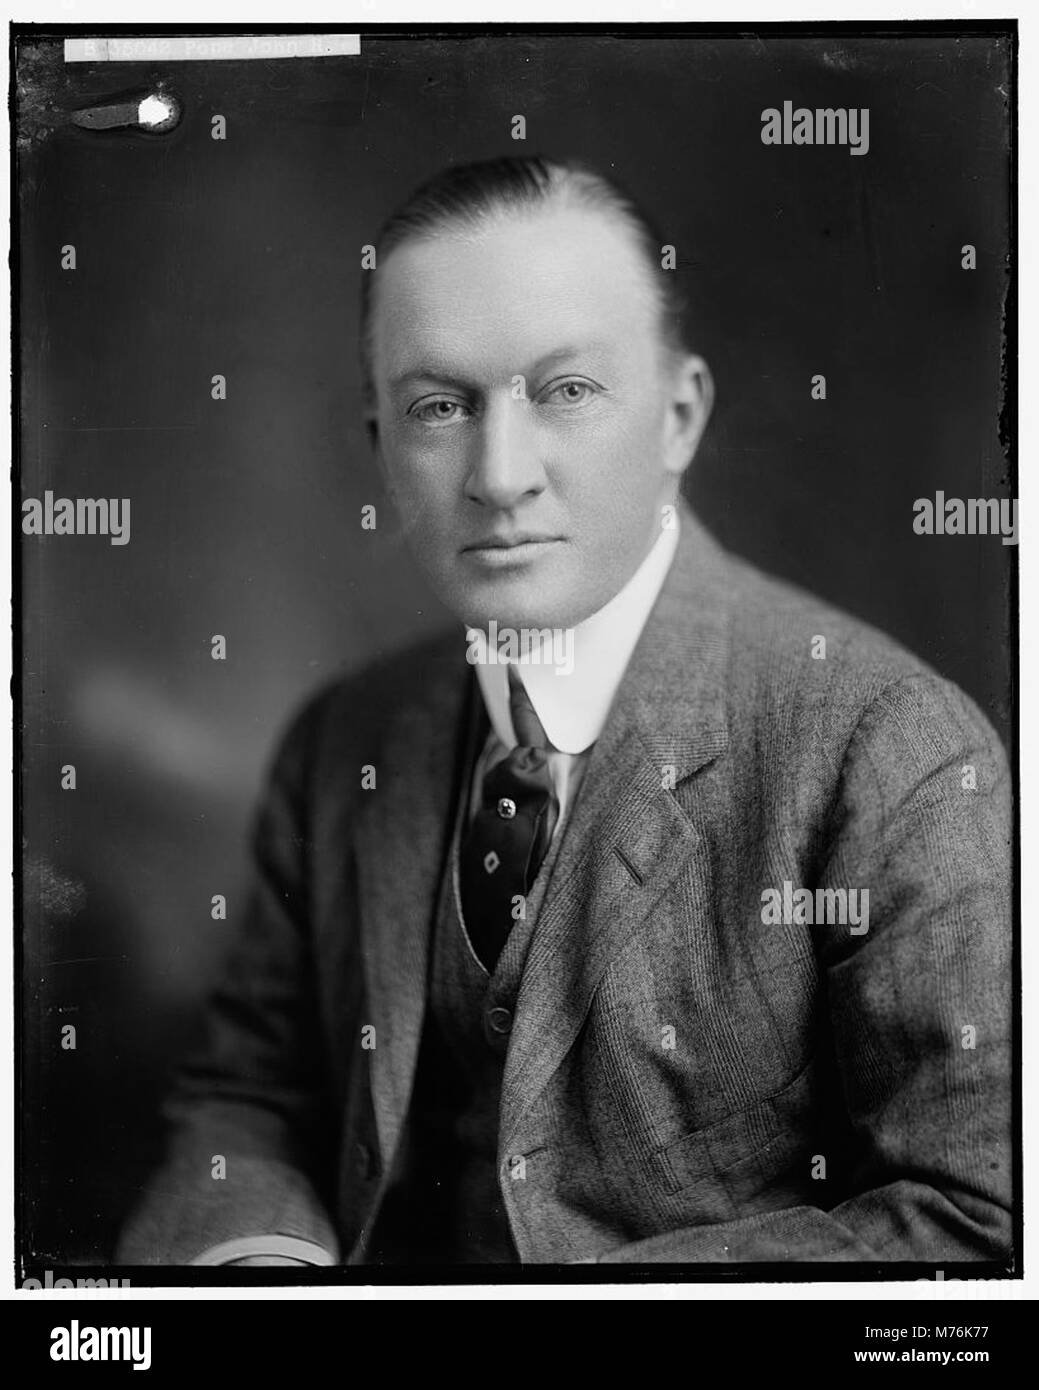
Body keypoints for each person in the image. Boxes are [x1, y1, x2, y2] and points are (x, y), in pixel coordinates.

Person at [118, 156, 1012, 1267]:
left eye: (565, 390)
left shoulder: (887, 749)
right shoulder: (343, 741)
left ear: (678, 418)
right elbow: (245, 1098)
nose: (498, 475)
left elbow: (971, 1221)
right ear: (380, 448)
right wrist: (265, 1272)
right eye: (438, 407)